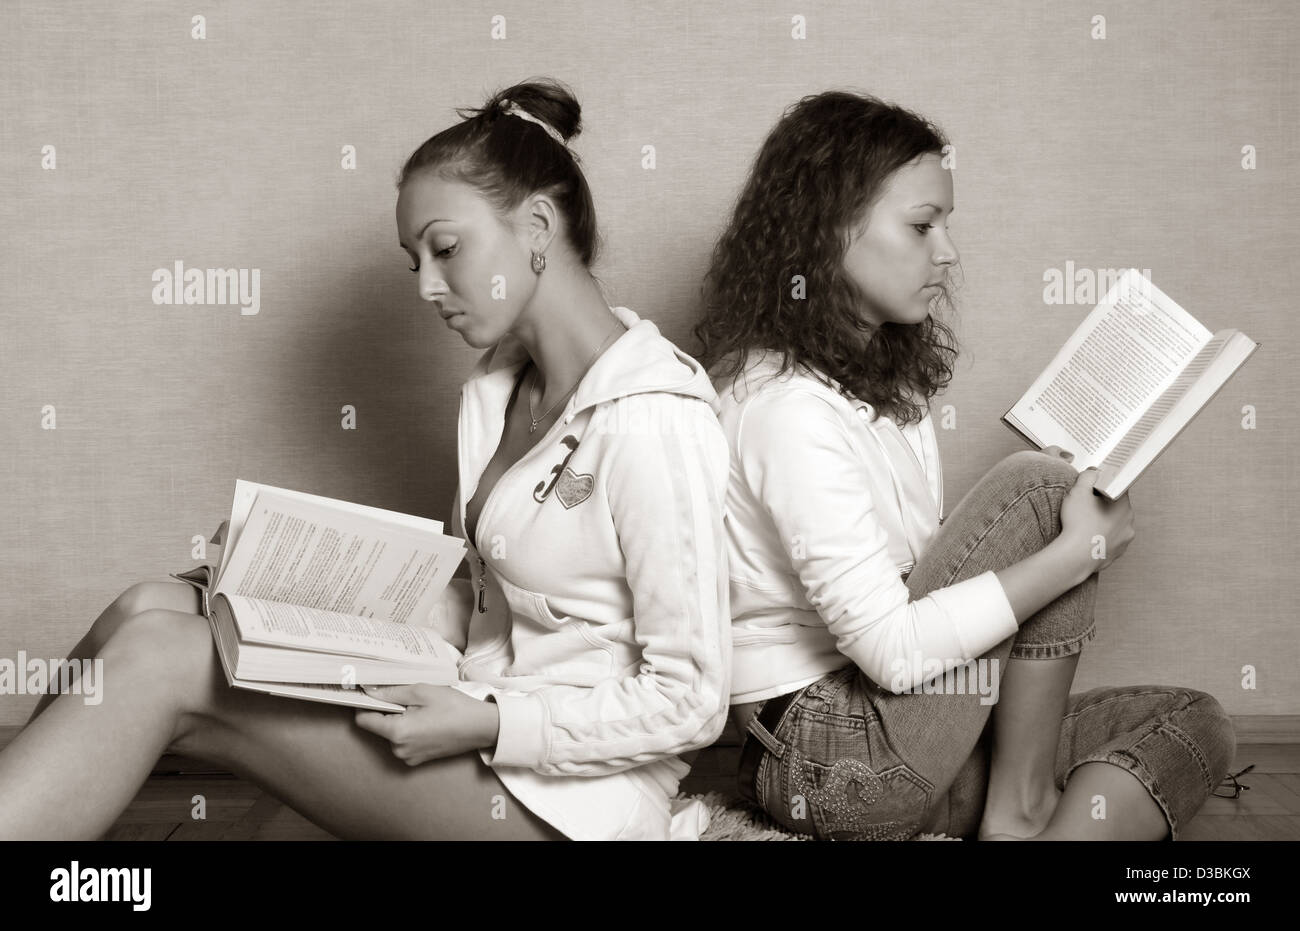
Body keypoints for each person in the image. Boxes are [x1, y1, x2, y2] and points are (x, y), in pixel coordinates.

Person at [0, 79, 731, 841]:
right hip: (467, 698)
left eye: (446, 249)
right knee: (148, 606)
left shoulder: (653, 419)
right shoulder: (497, 392)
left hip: (570, 800)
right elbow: (490, 608)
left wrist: (489, 724)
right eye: (414, 259)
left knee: (160, 659)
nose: (427, 286)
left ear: (539, 225)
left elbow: (693, 699)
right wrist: (276, 579)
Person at [692, 89, 1236, 840]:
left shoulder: (883, 392)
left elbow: (918, 584)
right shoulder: (780, 407)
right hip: (827, 757)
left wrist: (1054, 523)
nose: (946, 252)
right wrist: (1069, 551)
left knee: (1194, 721)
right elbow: (890, 650)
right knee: (1037, 489)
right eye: (922, 225)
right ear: (826, 230)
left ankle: (1023, 815)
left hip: (917, 732)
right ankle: (1024, 812)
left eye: (944, 224)